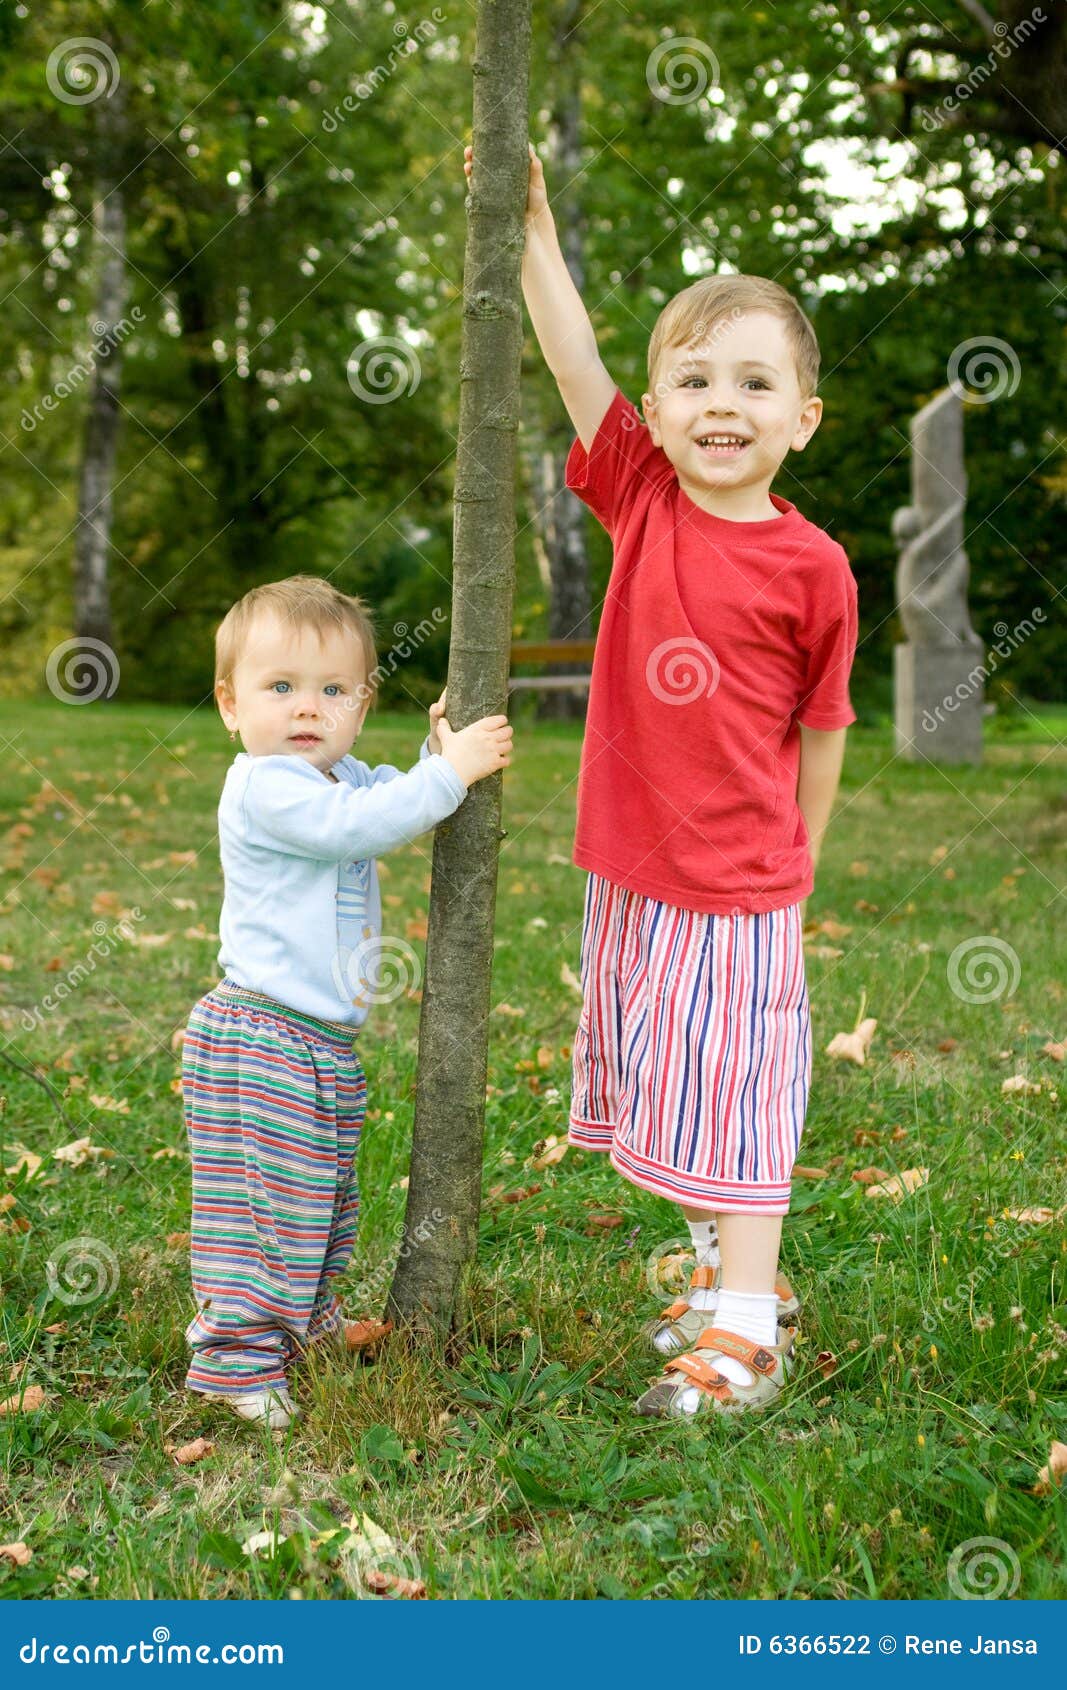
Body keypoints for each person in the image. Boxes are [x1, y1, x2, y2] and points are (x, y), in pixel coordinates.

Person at [466, 143, 858, 1417]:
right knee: (668, 1081)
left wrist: (795, 872)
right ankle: (721, 1275)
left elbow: (823, 725)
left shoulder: (817, 571)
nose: (718, 402)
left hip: (741, 881)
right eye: (690, 379)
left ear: (801, 416)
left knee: (738, 1098)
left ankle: (748, 1324)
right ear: (658, 406)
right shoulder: (642, 498)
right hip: (630, 871)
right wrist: (528, 224)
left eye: (752, 380)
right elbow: (572, 356)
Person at [181, 574, 512, 1428]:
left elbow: (376, 798)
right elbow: (359, 828)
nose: (307, 709)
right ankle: (234, 1363)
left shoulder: (337, 775)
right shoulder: (267, 784)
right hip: (260, 1036)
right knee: (267, 1207)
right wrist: (452, 776)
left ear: (361, 707)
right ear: (230, 704)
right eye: (280, 687)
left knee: (324, 1201)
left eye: (334, 691)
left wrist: (437, 759)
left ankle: (305, 1331)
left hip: (317, 1044)